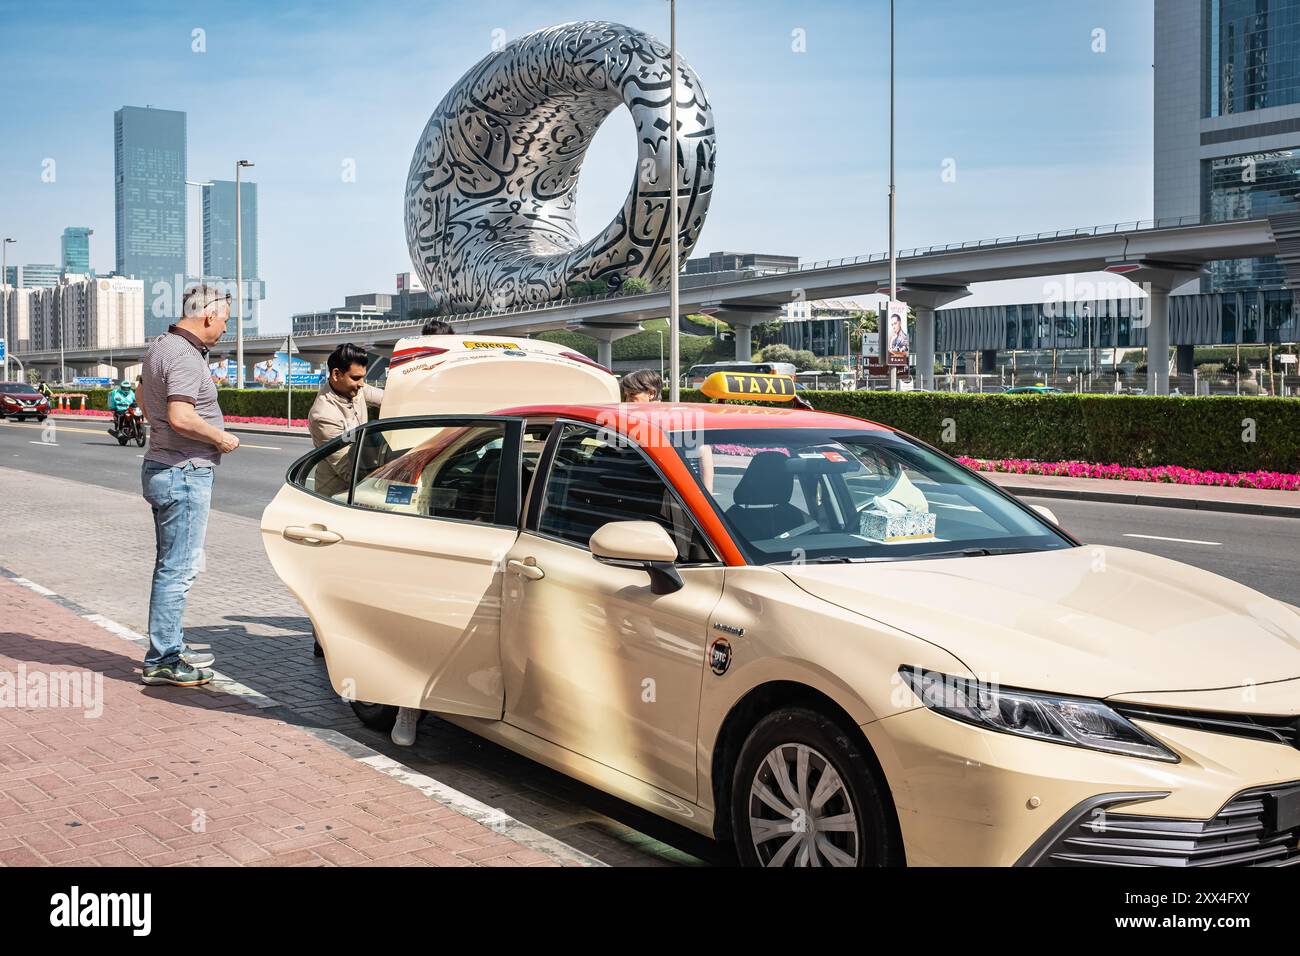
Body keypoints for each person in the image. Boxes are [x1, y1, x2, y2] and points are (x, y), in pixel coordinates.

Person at [308, 344, 430, 744]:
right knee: (335, 578)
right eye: (356, 378)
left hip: (363, 493)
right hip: (339, 497)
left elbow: (391, 396)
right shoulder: (322, 413)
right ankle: (327, 640)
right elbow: (350, 462)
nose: (363, 385)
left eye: (364, 378)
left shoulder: (357, 391)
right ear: (335, 375)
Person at [138, 285, 241, 687]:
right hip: (183, 472)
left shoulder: (161, 347)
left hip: (165, 465)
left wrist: (160, 427)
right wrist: (220, 438)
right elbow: (181, 416)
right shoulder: (184, 356)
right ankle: (163, 658)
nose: (225, 329)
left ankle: (171, 644)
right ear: (209, 316)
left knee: (171, 565)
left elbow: (146, 399)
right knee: (178, 570)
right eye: (226, 321)